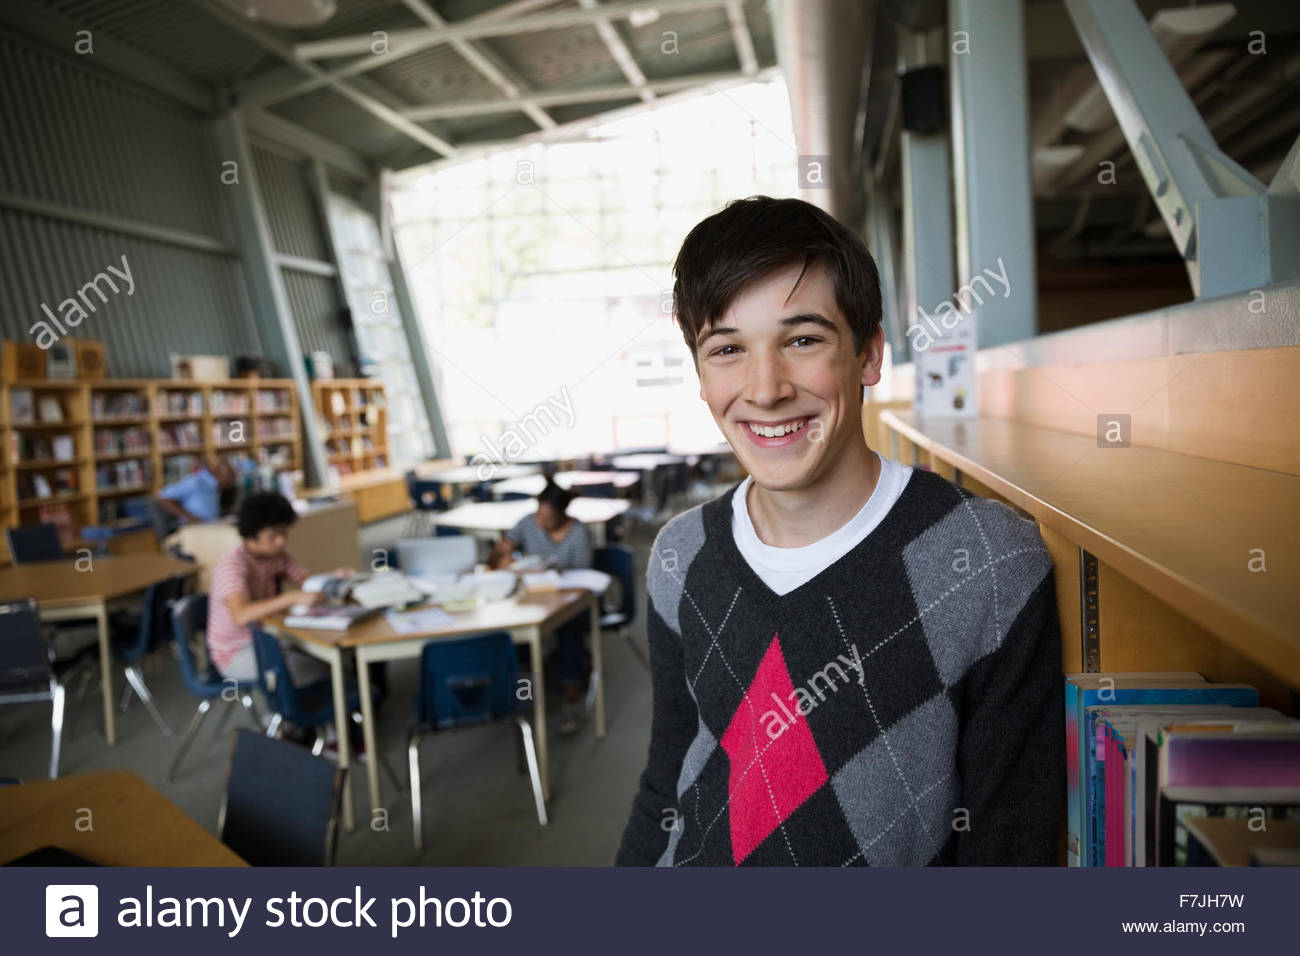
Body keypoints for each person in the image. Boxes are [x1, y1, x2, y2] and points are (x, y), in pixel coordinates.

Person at [615, 196, 1063, 867]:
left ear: (869, 355)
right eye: (728, 349)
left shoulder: (993, 563)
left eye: (803, 340)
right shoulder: (680, 556)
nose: (765, 389)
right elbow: (666, 784)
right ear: (702, 377)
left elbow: (1009, 852)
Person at [206, 491, 347, 687]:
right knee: (311, 668)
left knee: (328, 655)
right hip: (236, 653)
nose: (281, 541)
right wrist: (290, 599)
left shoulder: (276, 555)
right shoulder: (232, 565)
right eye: (273, 535)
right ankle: (296, 714)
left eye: (284, 532)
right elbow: (240, 615)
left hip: (269, 638)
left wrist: (332, 578)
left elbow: (305, 581)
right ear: (252, 534)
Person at [489, 480, 594, 735]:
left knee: (569, 631)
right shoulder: (528, 523)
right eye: (538, 514)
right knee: (515, 631)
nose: (540, 522)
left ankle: (571, 699)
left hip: (569, 602)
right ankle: (524, 695)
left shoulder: (579, 533)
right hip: (531, 599)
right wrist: (502, 556)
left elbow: (580, 575)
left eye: (547, 517)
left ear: (563, 514)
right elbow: (497, 557)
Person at [156, 457, 235, 525]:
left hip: (211, 526)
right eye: (230, 478)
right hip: (195, 528)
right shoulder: (194, 481)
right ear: (219, 474)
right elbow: (163, 497)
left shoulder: (214, 487)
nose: (231, 483)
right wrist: (190, 518)